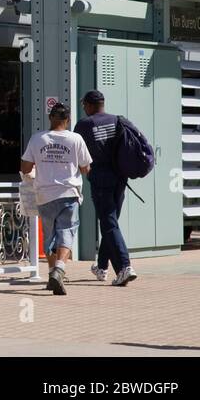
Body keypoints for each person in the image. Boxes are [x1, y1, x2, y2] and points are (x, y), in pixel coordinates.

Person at [20, 102, 92, 295]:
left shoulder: (37, 139)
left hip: (44, 195)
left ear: (51, 118)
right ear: (67, 120)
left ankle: (53, 274)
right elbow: (86, 169)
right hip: (69, 194)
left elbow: (25, 168)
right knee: (66, 232)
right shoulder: (76, 139)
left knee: (50, 236)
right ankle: (59, 270)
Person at [74, 89, 137, 287]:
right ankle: (101, 266)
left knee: (109, 224)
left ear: (91, 105)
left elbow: (74, 150)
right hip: (120, 178)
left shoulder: (84, 125)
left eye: (84, 104)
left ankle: (125, 267)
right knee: (110, 223)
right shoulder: (118, 120)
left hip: (100, 179)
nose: (83, 108)